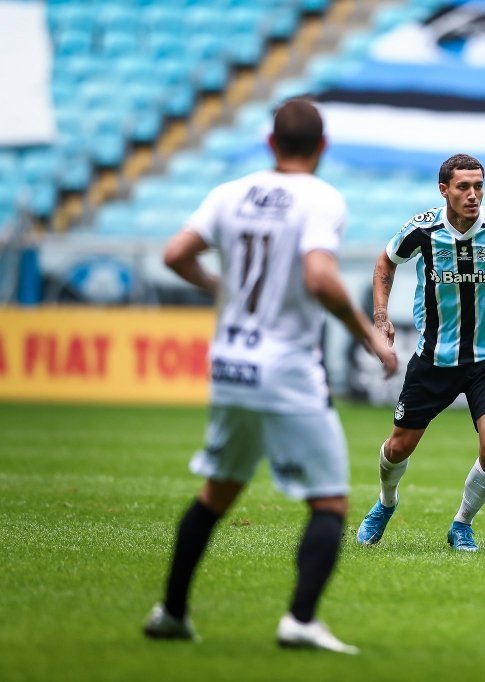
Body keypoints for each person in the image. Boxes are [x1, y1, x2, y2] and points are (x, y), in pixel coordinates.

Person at [143, 99, 398, 652]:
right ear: (322, 146)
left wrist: (219, 288)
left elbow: (176, 254)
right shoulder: (320, 198)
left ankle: (172, 612)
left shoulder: (229, 193)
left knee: (217, 491)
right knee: (329, 501)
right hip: (286, 367)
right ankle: (300, 620)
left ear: (270, 142)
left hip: (230, 363)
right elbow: (320, 277)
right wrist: (368, 333)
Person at [355, 153, 485, 552]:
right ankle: (385, 503)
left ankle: (462, 524)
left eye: (479, 186)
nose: (473, 195)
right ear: (444, 190)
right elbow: (385, 261)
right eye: (463, 187)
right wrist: (381, 316)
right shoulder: (423, 229)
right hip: (435, 358)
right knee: (398, 447)